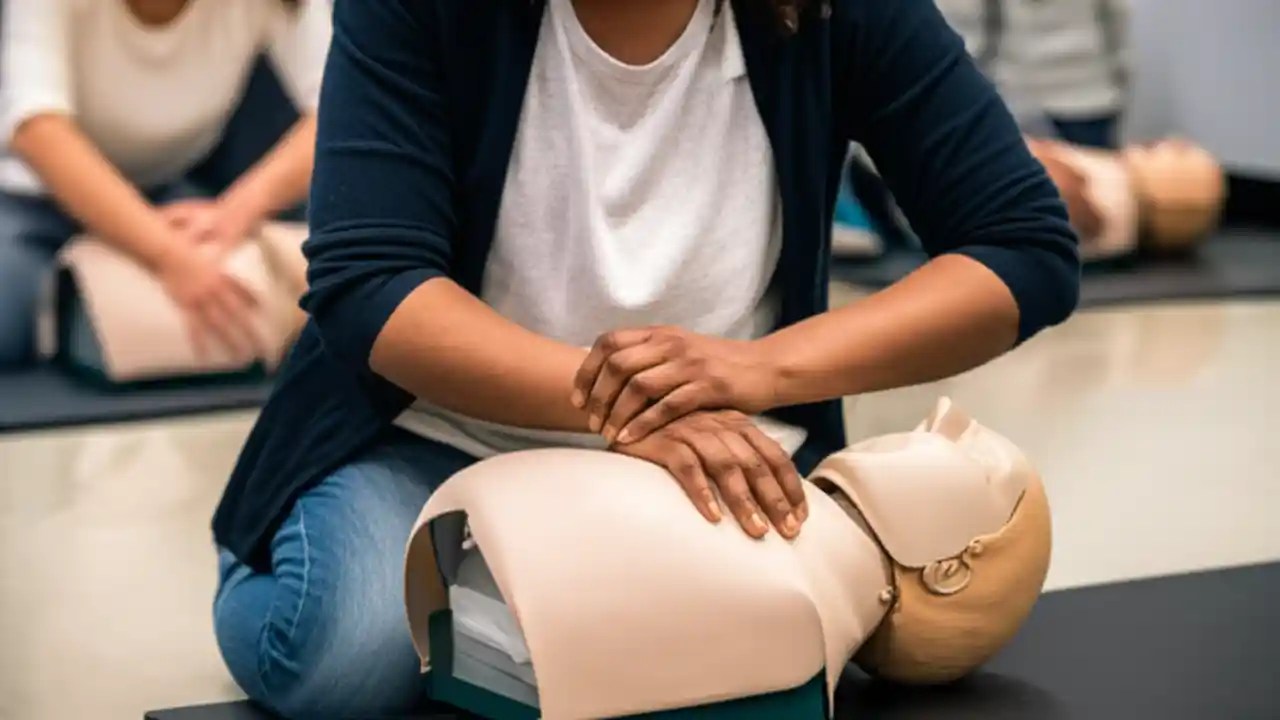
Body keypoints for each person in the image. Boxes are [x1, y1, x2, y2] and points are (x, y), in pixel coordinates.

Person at [211, 1, 1081, 718]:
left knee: (748, 667)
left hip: (724, 453)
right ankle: (269, 546)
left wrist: (764, 370)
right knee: (344, 661)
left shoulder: (833, 10)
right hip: (436, 440)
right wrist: (622, 407)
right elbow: (371, 285)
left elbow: (1022, 248)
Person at [0, 0, 331, 368]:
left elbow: (342, 107)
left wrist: (234, 213)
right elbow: (37, 129)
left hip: (172, 199)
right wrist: (166, 256)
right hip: (31, 198)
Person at [936, 0, 1131, 149]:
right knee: (1096, 185)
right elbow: (1117, 14)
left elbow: (973, 26)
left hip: (1019, 88)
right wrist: (1121, 68)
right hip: (1088, 88)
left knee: (1020, 187)